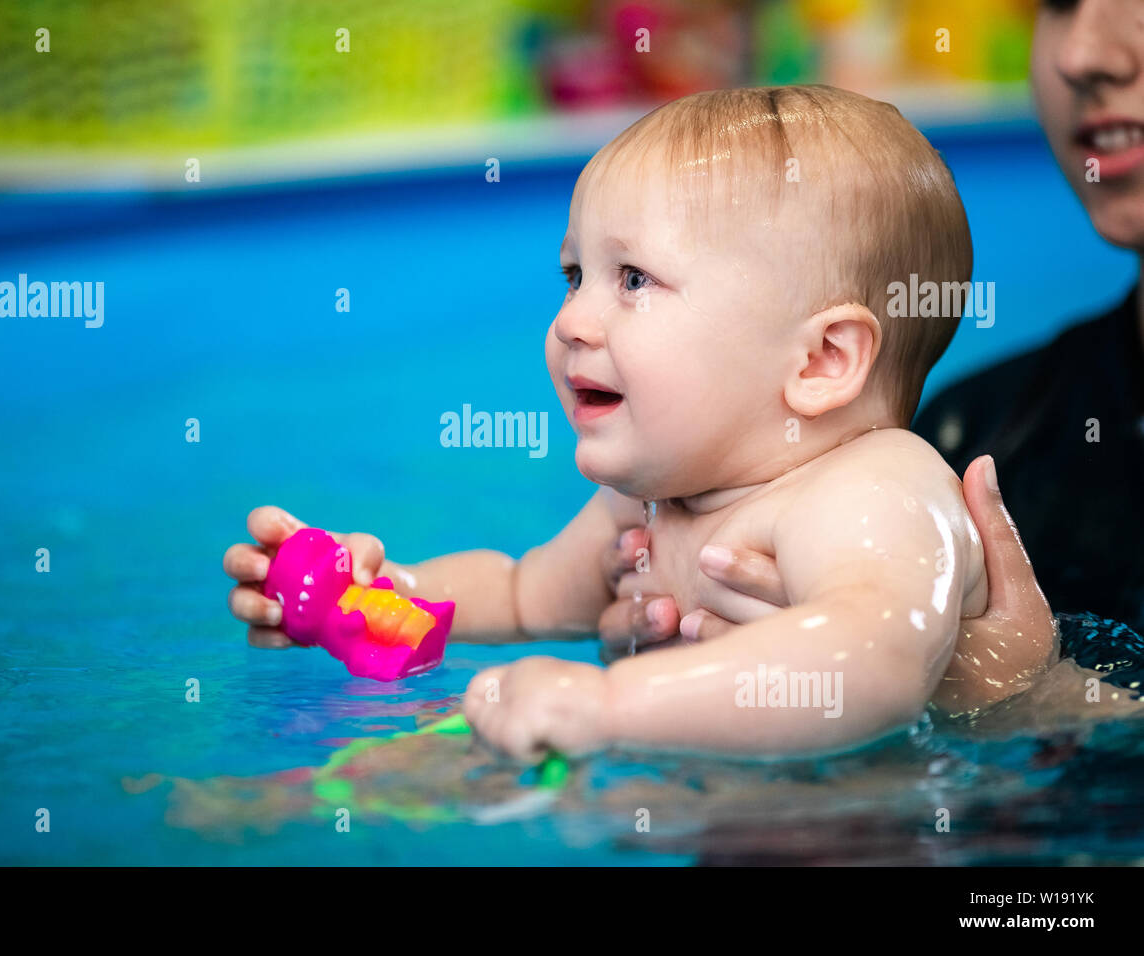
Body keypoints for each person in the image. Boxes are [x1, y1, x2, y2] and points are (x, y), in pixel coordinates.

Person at [226, 85, 1063, 760]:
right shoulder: (651, 505)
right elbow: (522, 597)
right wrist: (376, 590)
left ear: (820, 362)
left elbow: (871, 664)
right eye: (573, 274)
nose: (572, 323)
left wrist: (609, 704)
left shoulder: (873, 490)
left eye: (632, 279)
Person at [599, 0, 1144, 689]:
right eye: (1059, 2)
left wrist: (1014, 697)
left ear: (829, 355)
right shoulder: (974, 434)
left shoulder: (915, 473)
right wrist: (652, 638)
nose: (1083, 54)